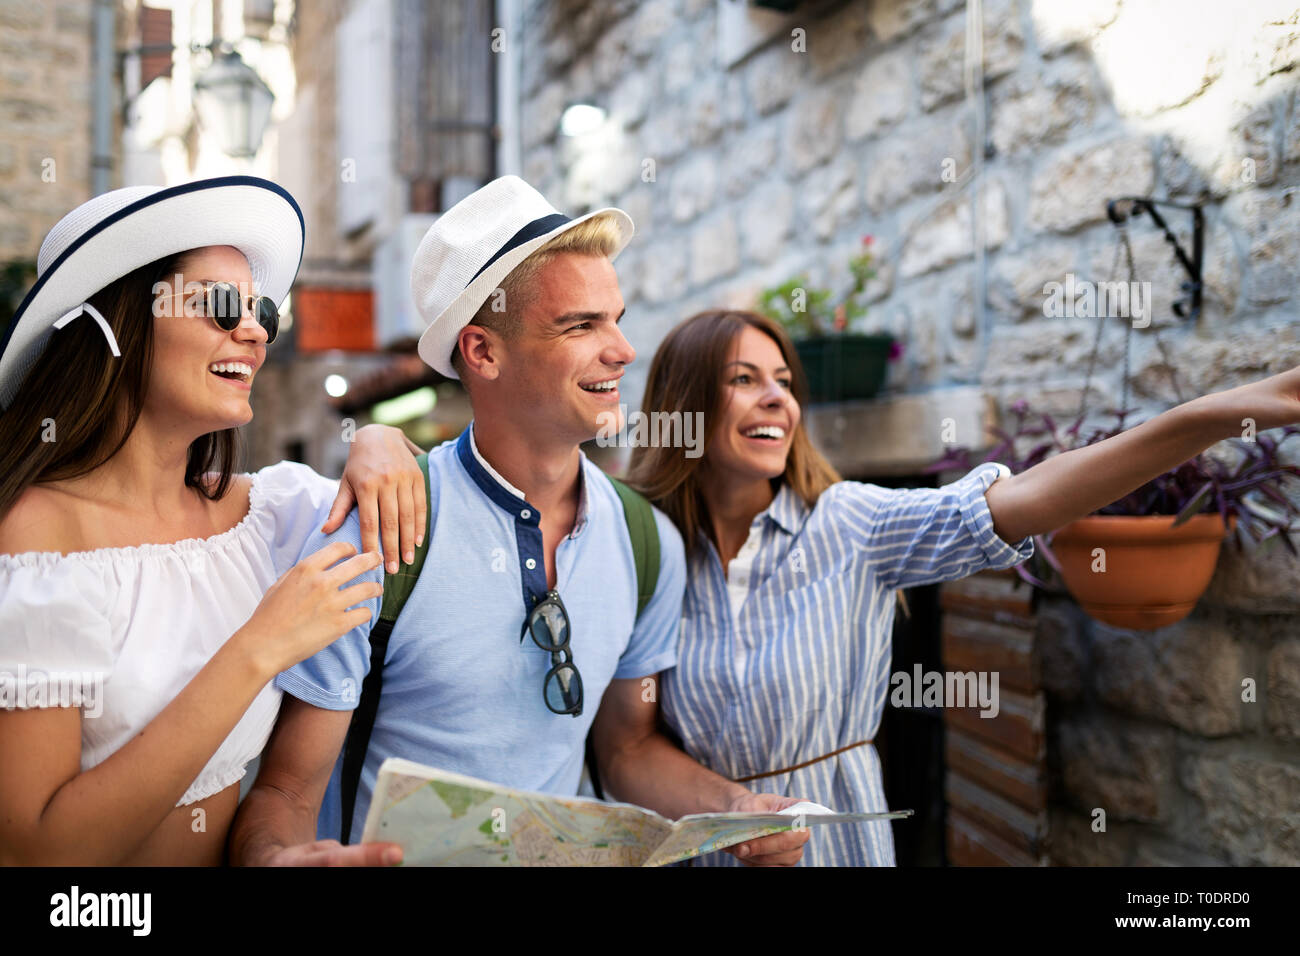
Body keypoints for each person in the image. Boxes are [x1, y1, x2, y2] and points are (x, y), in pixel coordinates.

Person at [229, 176, 810, 867]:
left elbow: (626, 749)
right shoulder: (380, 531)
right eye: (582, 326)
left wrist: (734, 808)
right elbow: (287, 793)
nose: (622, 350)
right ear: (483, 352)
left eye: (616, 319)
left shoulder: (647, 541)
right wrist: (276, 862)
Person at [626, 308, 1300, 866]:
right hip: (702, 852)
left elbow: (1025, 499)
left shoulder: (850, 521)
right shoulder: (646, 553)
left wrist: (1206, 418)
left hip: (833, 851)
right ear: (683, 405)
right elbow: (628, 747)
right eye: (744, 379)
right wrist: (735, 809)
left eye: (783, 380)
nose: (778, 397)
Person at [0, 177, 425, 865]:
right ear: (118, 325)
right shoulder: (40, 540)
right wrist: (257, 647)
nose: (255, 330)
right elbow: (39, 853)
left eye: (262, 313)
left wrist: (376, 440)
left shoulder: (268, 516)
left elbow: (418, 502)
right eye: (222, 307)